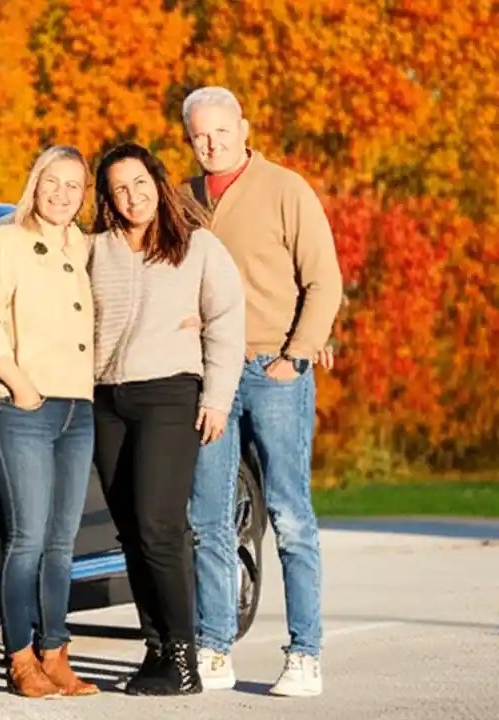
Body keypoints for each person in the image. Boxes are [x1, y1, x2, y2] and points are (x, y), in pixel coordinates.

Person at [181, 86, 343, 697]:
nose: (211, 143)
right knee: (209, 517)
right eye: (199, 135)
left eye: (221, 131)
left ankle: (305, 655)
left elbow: (323, 282)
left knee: (289, 514)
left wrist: (295, 355)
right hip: (209, 381)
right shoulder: (183, 199)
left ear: (243, 127)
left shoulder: (285, 189)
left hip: (274, 371)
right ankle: (214, 647)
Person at [87, 143, 246, 695]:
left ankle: (184, 657)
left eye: (140, 183)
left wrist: (218, 396)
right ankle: (154, 648)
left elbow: (226, 317)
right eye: (120, 189)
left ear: (158, 181)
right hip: (106, 398)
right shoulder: (96, 250)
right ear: (108, 198)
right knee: (130, 529)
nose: (133, 197)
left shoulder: (196, 245)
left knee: (160, 524)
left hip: (170, 396)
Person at [0, 145, 100, 699]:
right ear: (34, 182)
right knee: (27, 538)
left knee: (62, 542)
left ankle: (56, 653)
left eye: (74, 186)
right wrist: (22, 387)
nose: (62, 194)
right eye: (53, 181)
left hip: (77, 408)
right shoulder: (0, 241)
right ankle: (20, 660)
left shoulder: (83, 246)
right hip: (20, 406)